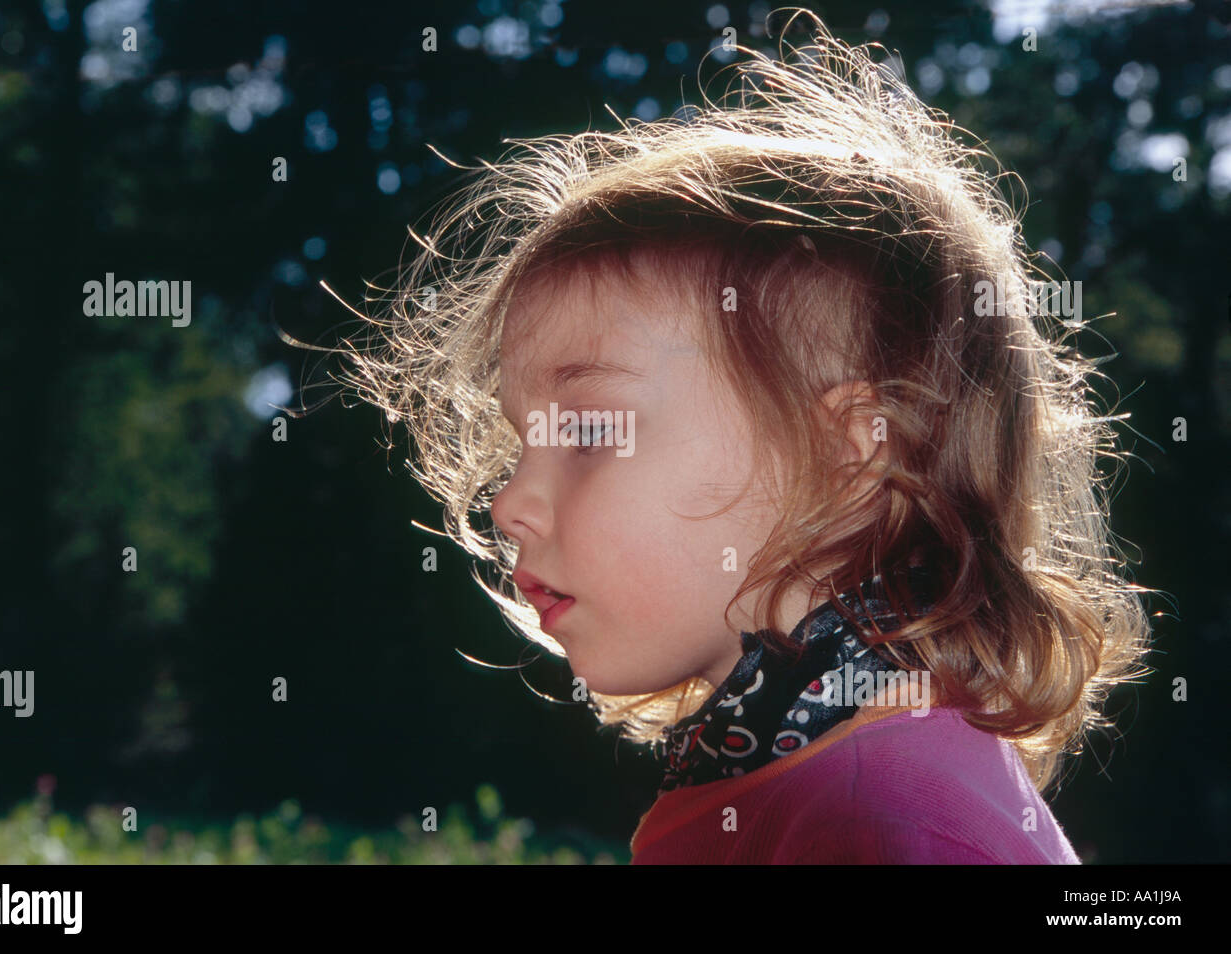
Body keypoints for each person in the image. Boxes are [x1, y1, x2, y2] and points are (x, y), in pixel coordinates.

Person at [319, 8, 1154, 863]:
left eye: (590, 429)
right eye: (519, 440)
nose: (510, 502)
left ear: (849, 452)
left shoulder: (878, 829)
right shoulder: (809, 777)